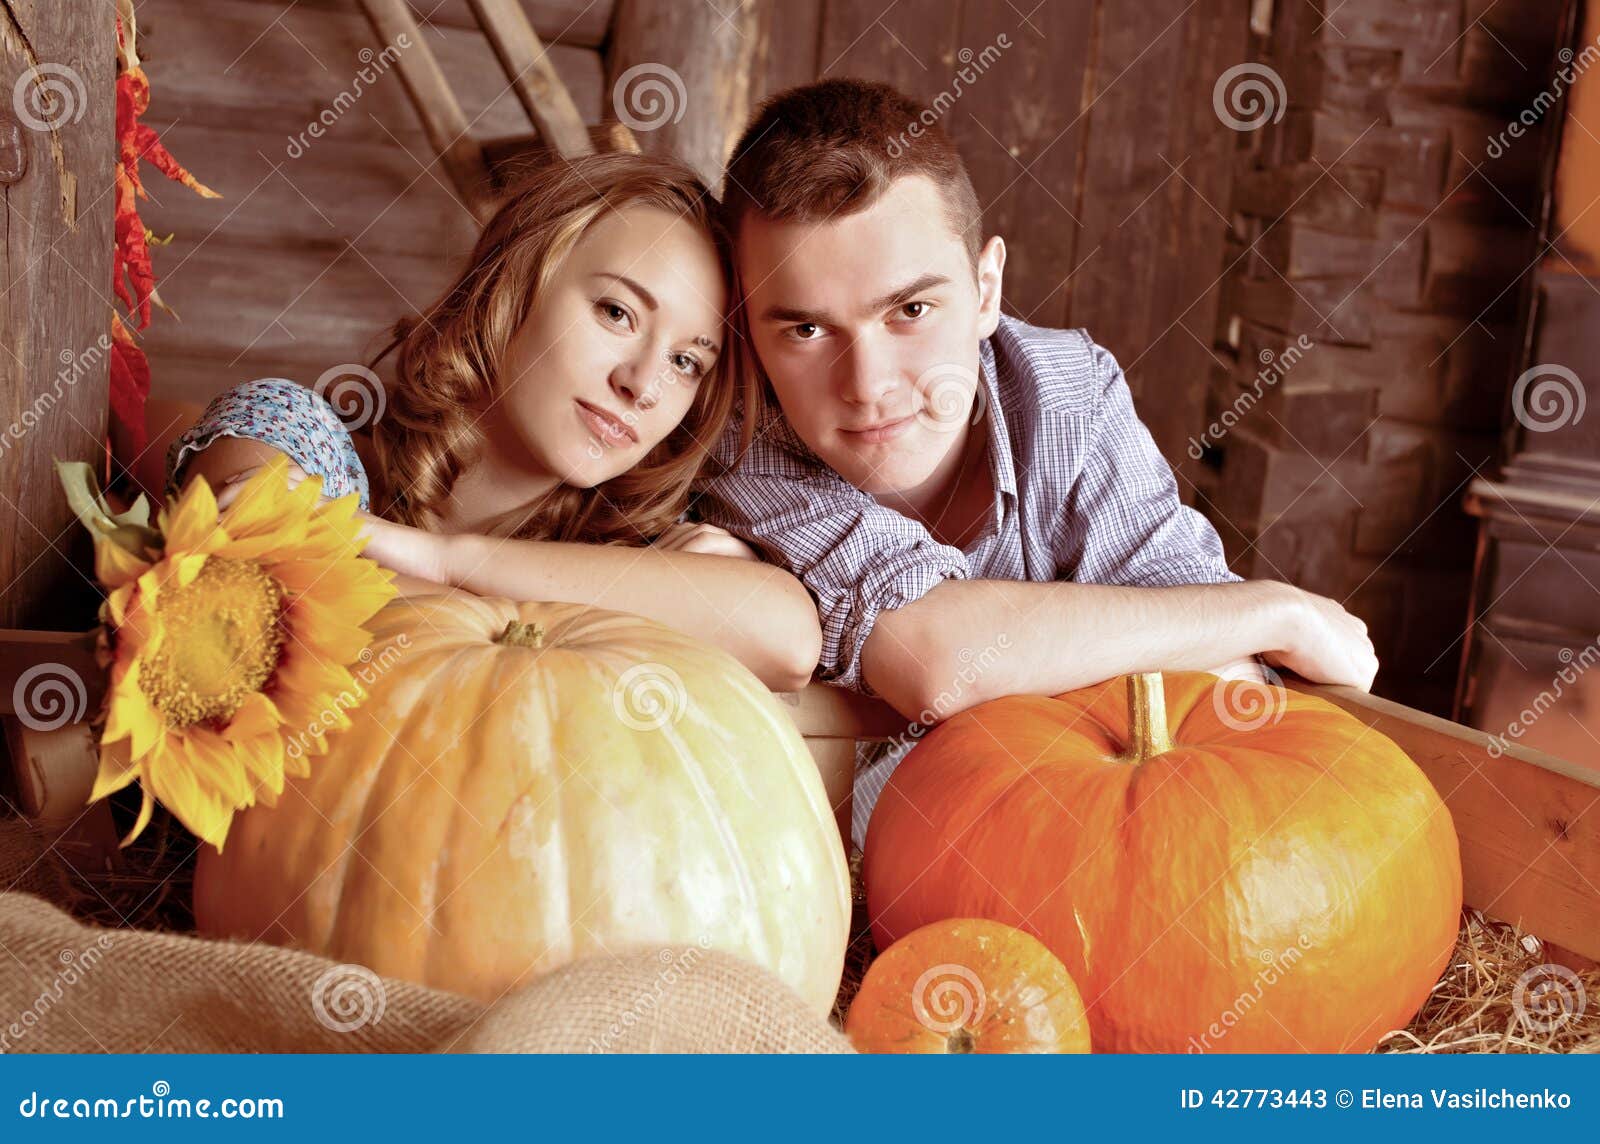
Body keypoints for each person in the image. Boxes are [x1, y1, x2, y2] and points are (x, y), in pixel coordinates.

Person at [691, 79, 1379, 847]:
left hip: (1086, 860)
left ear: (985, 289)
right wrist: (1273, 609)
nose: (869, 386)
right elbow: (937, 659)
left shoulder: (1067, 391)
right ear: (748, 332)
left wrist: (1210, 630)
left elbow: (1217, 674)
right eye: (807, 331)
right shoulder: (742, 441)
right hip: (844, 872)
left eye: (911, 311)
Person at [167, 152, 819, 692]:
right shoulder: (296, 434)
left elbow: (787, 640)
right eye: (616, 313)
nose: (642, 384)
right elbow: (274, 582)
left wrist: (448, 561)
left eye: (686, 361)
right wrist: (647, 610)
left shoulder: (624, 548)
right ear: (515, 286)